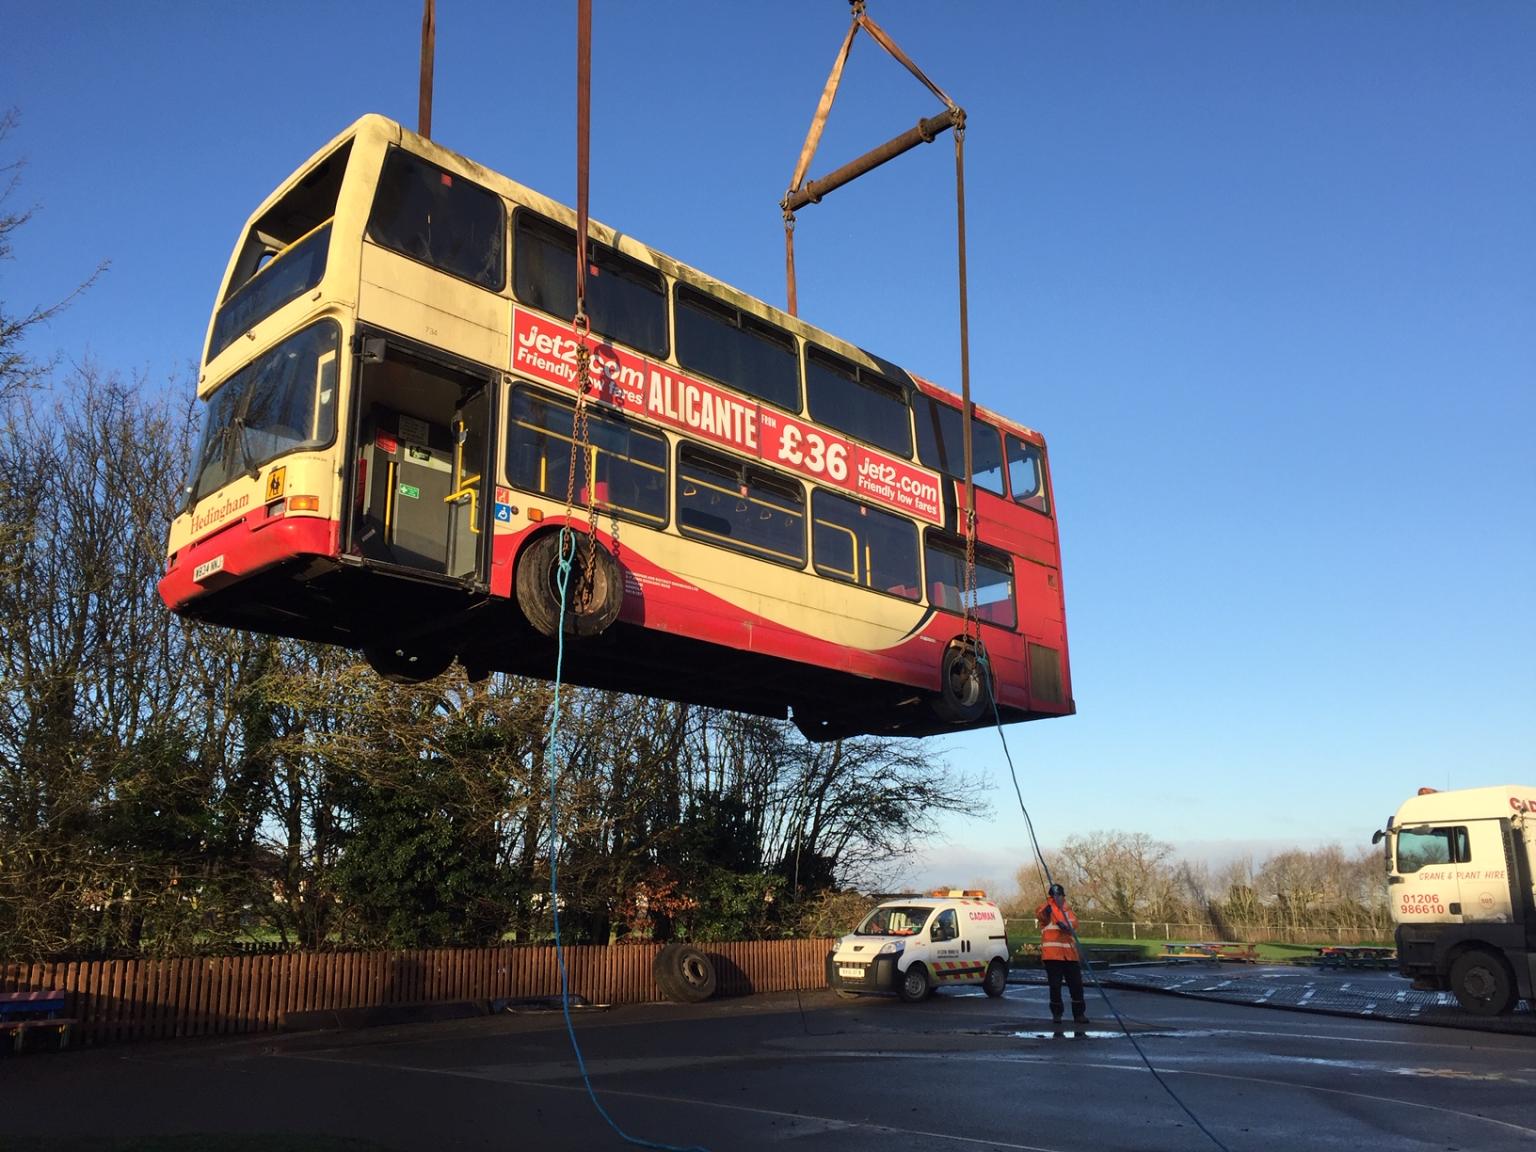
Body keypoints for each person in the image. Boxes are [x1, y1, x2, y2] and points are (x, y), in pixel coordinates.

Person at [1035, 882, 1088, 1026]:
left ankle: (1079, 1014)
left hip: (1070, 955)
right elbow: (1041, 916)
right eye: (1055, 895)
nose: (1057, 897)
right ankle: (1057, 1014)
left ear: (1063, 896)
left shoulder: (1068, 911)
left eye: (1059, 895)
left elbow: (1074, 924)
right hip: (1052, 956)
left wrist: (1066, 927)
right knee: (1055, 987)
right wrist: (1048, 910)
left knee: (1076, 986)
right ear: (1051, 897)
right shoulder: (1046, 908)